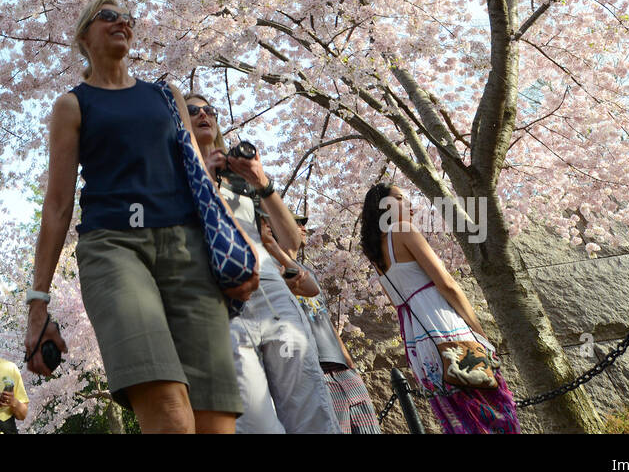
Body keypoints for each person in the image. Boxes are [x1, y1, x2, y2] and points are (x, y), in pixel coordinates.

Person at [25, 0, 241, 434]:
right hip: (114, 248)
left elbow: (199, 179)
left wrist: (237, 250)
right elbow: (58, 204)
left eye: (127, 17)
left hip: (186, 248)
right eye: (108, 16)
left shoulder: (167, 96)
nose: (121, 22)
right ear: (84, 35)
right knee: (166, 406)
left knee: (214, 418)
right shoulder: (73, 105)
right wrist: (39, 301)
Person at [186, 93, 337, 434]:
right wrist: (201, 180)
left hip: (269, 289)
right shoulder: (173, 174)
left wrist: (260, 180)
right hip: (217, 299)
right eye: (192, 110)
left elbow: (291, 242)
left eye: (209, 109)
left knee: (308, 405)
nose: (203, 115)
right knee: (253, 420)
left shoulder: (238, 177)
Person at [361, 183, 520, 434]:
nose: (410, 206)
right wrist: (478, 330)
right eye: (401, 199)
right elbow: (447, 283)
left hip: (418, 344)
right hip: (446, 328)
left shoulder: (376, 254)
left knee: (459, 419)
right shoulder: (403, 230)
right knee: (494, 406)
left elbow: (396, 303)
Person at [281, 218, 382, 434]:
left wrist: (349, 361)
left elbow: (324, 317)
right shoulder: (269, 272)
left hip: (343, 368)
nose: (303, 227)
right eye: (295, 222)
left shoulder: (308, 272)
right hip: (311, 371)